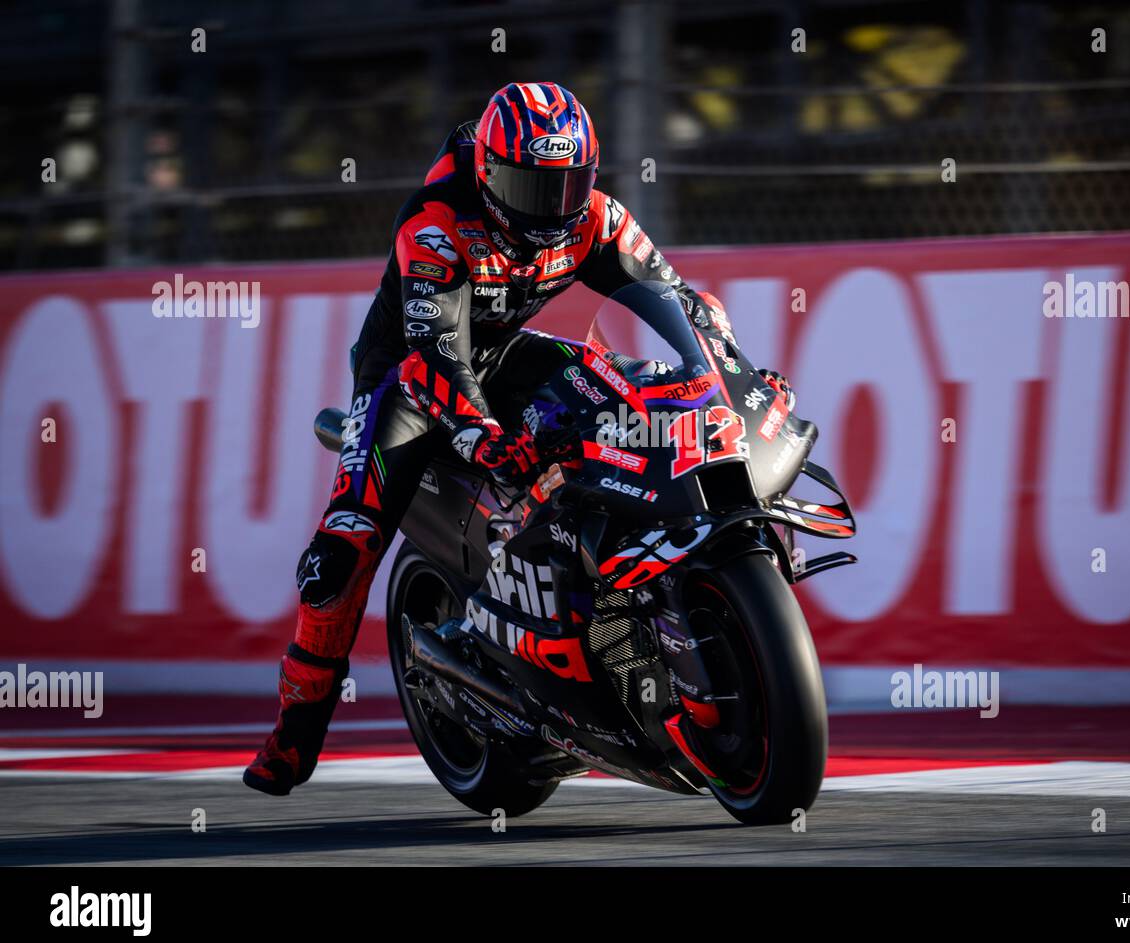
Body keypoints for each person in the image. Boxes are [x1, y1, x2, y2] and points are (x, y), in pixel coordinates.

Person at [244, 82, 794, 795]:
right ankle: (295, 735)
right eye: (531, 187)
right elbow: (437, 355)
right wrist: (482, 440)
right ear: (489, 174)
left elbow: (680, 303)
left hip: (505, 355)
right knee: (339, 553)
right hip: (407, 379)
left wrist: (731, 371)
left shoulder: (594, 218)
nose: (550, 207)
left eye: (566, 185)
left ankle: (617, 607)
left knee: (644, 388)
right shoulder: (438, 226)